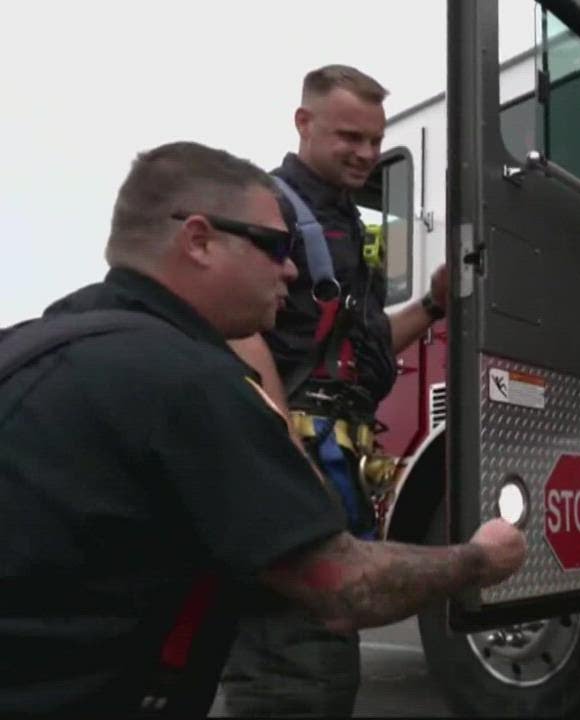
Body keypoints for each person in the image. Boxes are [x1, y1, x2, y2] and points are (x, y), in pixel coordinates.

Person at [0, 141, 526, 716]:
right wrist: (479, 559)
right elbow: (343, 585)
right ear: (199, 240)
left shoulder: (33, 344)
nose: (292, 269)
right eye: (276, 246)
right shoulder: (186, 380)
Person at [220, 65, 444, 716]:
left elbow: (358, 355)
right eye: (350, 137)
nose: (367, 154)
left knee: (328, 658)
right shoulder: (265, 206)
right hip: (291, 473)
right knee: (294, 670)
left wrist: (431, 305)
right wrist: (286, 448)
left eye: (375, 141)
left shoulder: (346, 224)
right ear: (303, 123)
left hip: (330, 469)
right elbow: (231, 326)